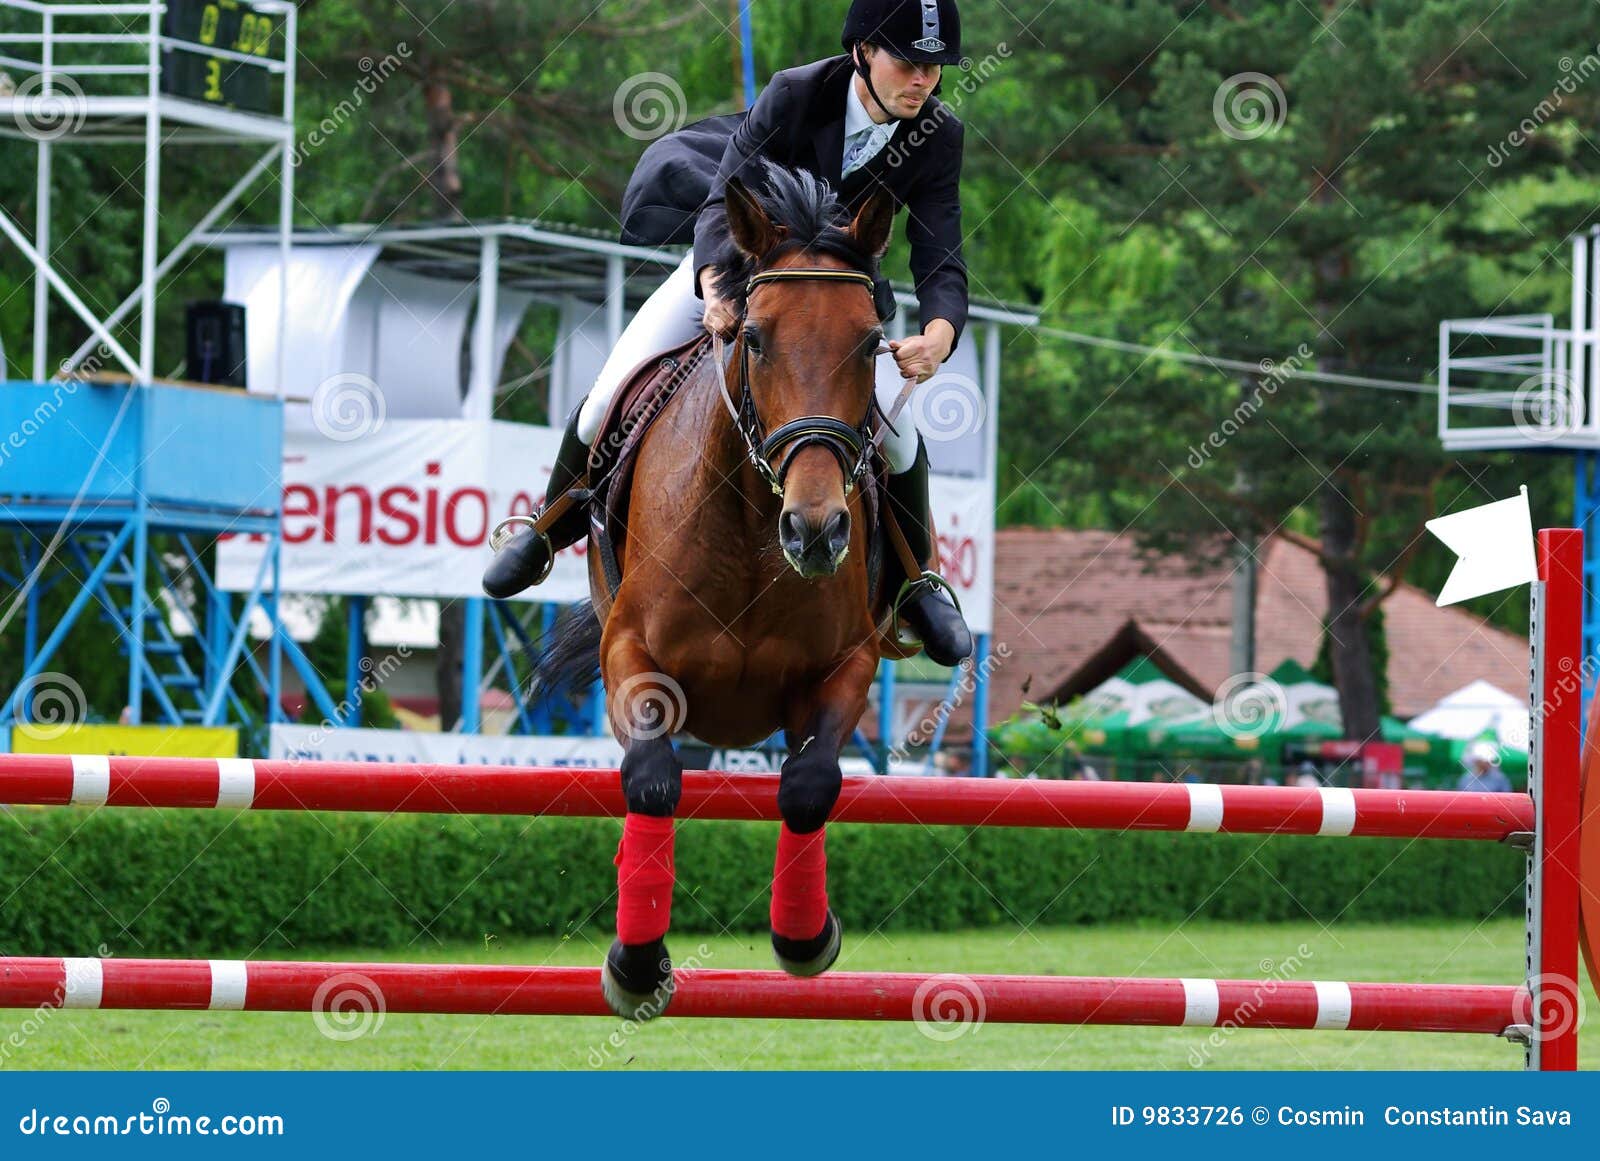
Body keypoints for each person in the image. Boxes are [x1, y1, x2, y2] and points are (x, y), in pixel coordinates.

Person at [482, 0, 974, 666]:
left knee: (903, 436)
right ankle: (545, 530)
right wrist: (716, 289)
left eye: (935, 68)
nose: (923, 80)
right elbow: (721, 199)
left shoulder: (938, 136)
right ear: (863, 51)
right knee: (609, 392)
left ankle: (916, 582)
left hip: (834, 309)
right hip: (739, 272)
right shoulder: (798, 95)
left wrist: (940, 334)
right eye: (910, 63)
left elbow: (939, 249)